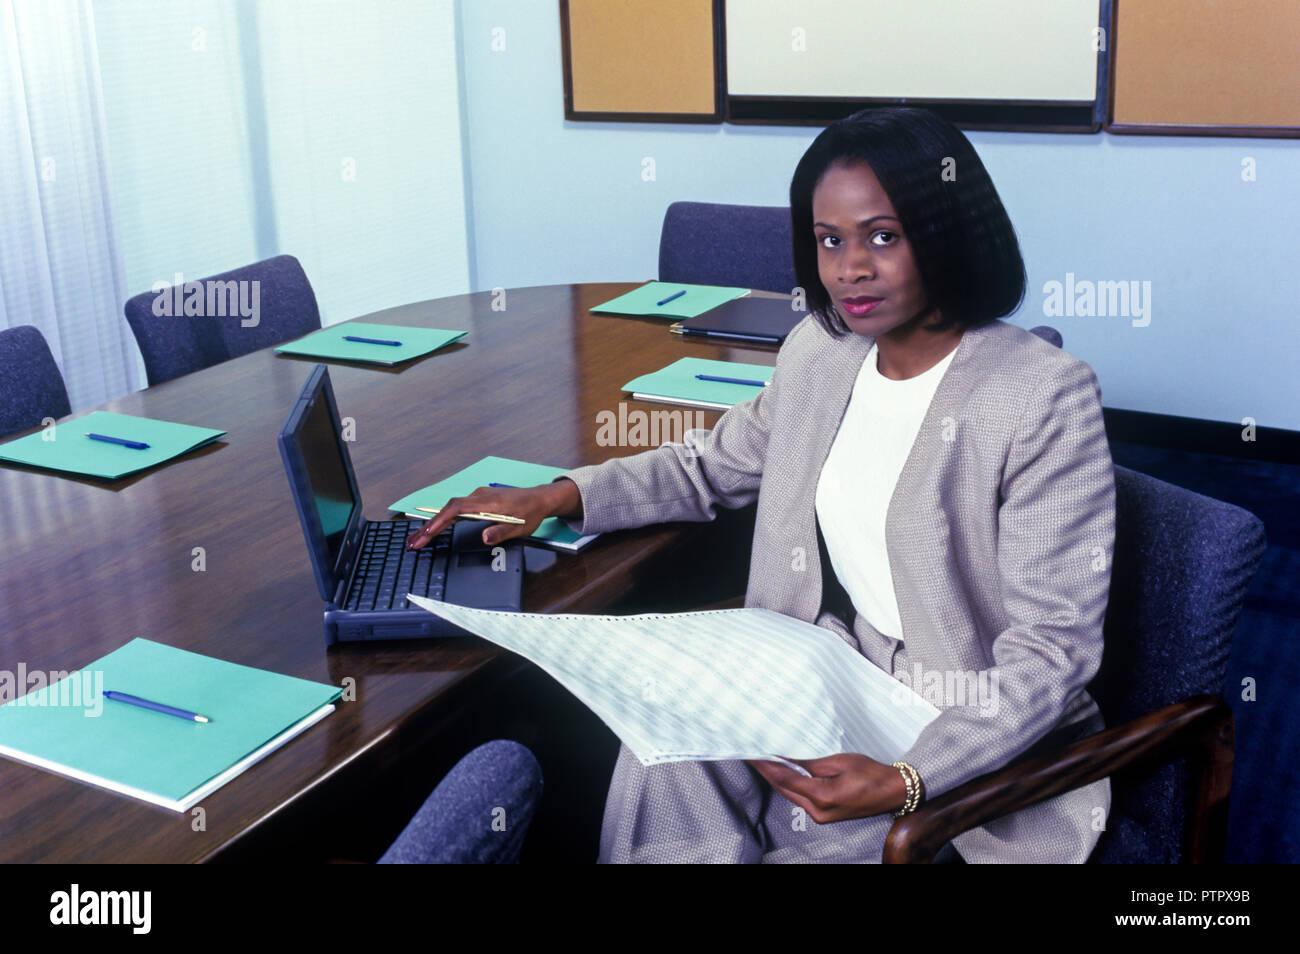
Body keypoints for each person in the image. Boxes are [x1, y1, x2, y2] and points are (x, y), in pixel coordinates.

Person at [406, 107, 1116, 864]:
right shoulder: (822, 350)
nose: (850, 270)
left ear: (948, 231)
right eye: (829, 241)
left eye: (884, 237)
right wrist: (563, 496)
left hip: (966, 721)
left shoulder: (1042, 396)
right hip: (834, 667)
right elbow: (714, 464)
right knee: (663, 742)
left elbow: (1051, 653)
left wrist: (911, 777)